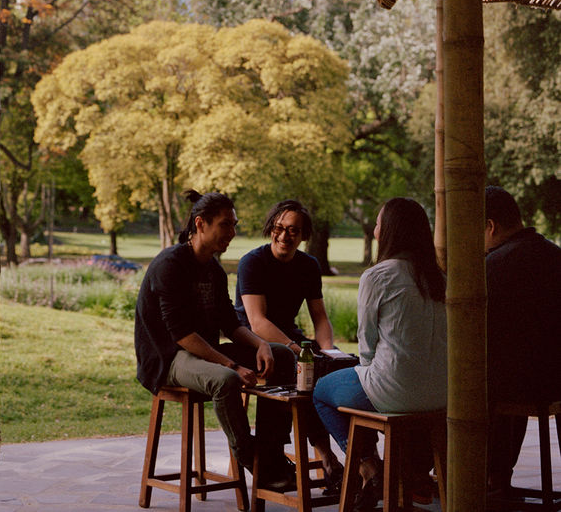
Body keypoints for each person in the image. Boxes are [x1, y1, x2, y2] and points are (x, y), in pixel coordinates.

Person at [135, 190, 297, 490]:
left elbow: (230, 324)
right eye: (225, 225)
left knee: (282, 355)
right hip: (168, 357)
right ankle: (253, 460)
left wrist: (261, 344)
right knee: (225, 380)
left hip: (203, 352)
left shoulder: (214, 269)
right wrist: (232, 365)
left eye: (234, 225)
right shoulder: (169, 264)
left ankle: (271, 451)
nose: (233, 233)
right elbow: (182, 335)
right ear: (200, 224)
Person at [312, 197, 447, 512]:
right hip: (442, 393)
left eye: (377, 223)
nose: (373, 229)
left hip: (394, 389)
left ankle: (369, 466)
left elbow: (366, 345)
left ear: (389, 232)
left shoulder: (378, 276)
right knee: (371, 390)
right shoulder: (439, 277)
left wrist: (373, 375)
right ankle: (411, 473)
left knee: (321, 391)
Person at [235, 199, 343, 492]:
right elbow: (257, 322)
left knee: (329, 371)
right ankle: (276, 459)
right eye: (278, 228)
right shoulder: (252, 262)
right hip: (252, 342)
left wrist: (328, 351)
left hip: (290, 342)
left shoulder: (308, 265)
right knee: (295, 366)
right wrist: (299, 351)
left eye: (293, 231)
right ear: (271, 228)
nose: (284, 236)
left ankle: (334, 459)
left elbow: (319, 317)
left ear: (303, 235)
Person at [484, 185, 561, 497]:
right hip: (556, 379)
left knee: (484, 378)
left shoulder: (494, 267)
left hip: (517, 385)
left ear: (490, 226)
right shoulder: (556, 256)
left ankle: (491, 475)